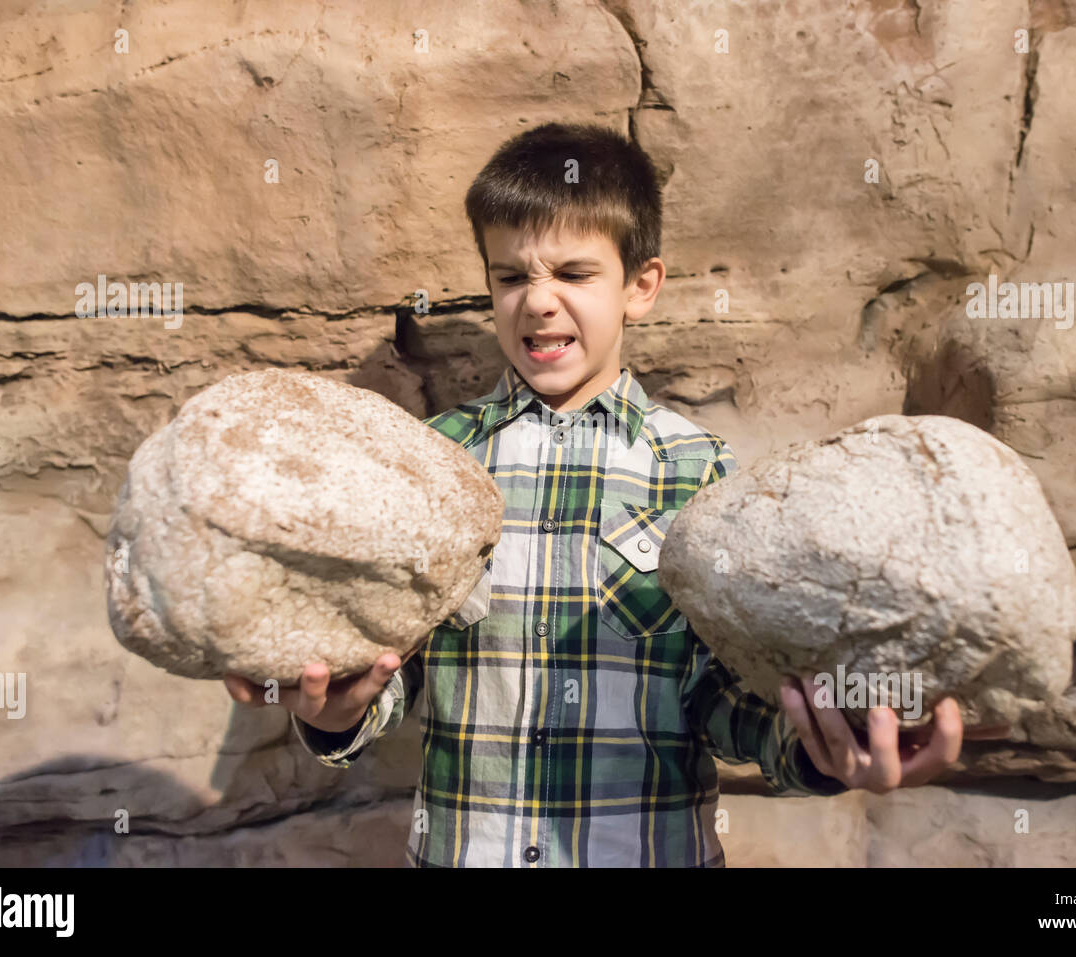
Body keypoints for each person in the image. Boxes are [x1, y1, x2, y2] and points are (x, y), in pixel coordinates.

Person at [225, 122, 987, 867]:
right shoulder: (436, 464)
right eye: (512, 275)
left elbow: (727, 697)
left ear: (640, 286)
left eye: (574, 273)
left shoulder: (702, 473)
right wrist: (341, 711)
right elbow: (399, 667)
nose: (539, 302)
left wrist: (829, 749)